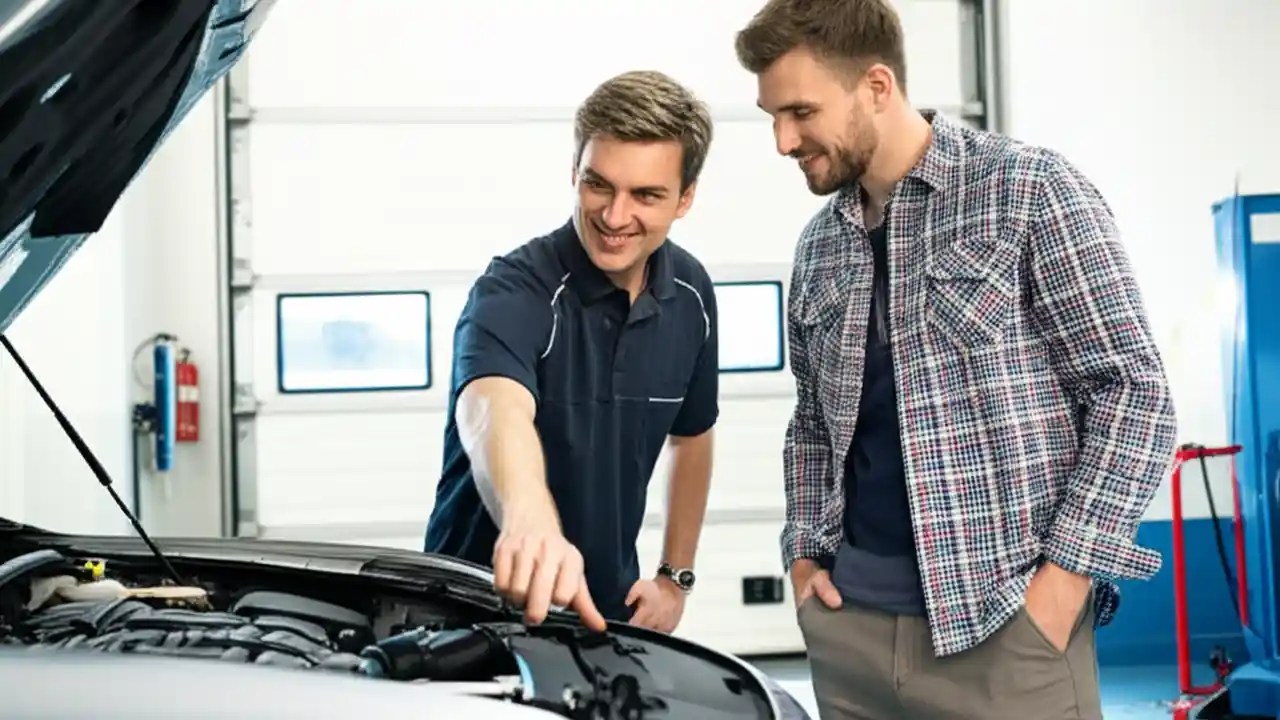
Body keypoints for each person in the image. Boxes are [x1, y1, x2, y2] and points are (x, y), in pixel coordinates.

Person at [734, 1, 1177, 718]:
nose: (784, 139)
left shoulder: (1028, 190)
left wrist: (1060, 588)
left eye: (801, 112)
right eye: (772, 116)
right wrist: (805, 556)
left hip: (1005, 634)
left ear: (877, 86)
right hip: (851, 636)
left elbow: (1133, 392)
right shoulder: (819, 245)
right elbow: (814, 423)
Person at [423, 70, 720, 637]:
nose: (613, 216)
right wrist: (528, 517)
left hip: (607, 614)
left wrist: (674, 576)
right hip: (470, 610)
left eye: (646, 195)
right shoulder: (514, 289)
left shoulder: (692, 296)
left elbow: (694, 435)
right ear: (574, 173)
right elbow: (490, 409)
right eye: (598, 184)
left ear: (685, 199)